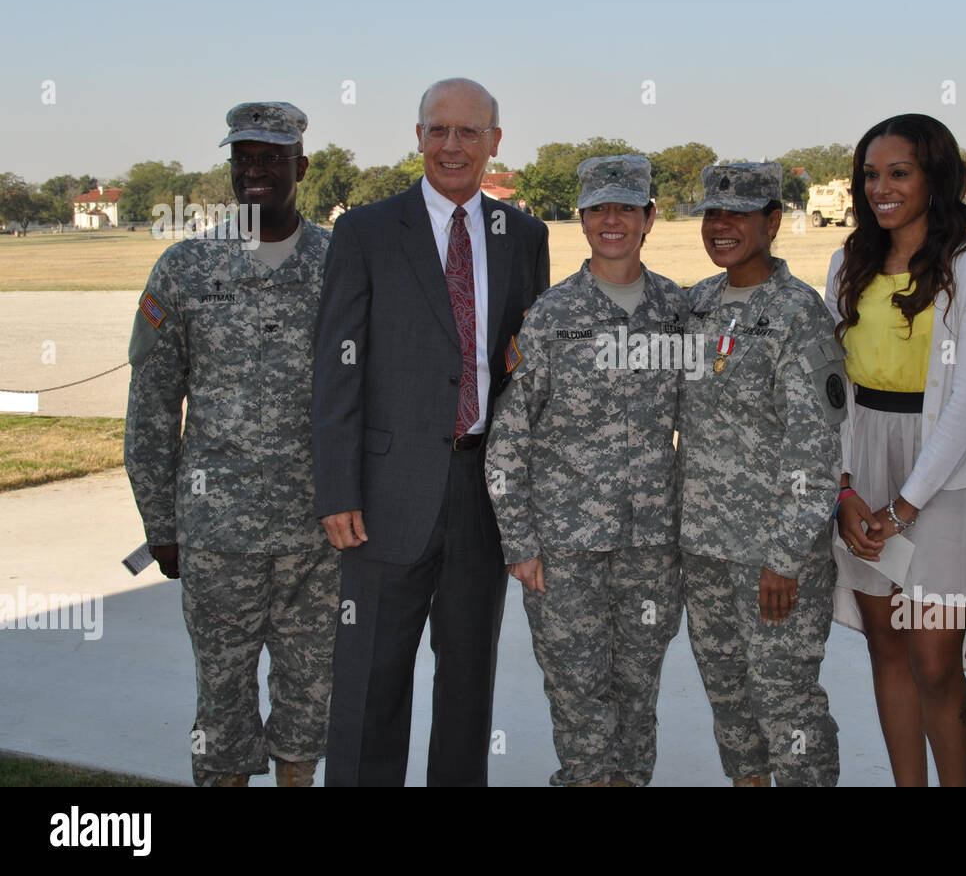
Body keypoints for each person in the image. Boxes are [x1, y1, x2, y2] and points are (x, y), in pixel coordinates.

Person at [312, 78, 549, 787]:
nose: (452, 145)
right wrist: (337, 488)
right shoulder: (366, 231)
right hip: (384, 496)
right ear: (418, 137)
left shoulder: (524, 236)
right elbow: (336, 370)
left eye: (469, 131)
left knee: (468, 686)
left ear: (494, 142)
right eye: (438, 130)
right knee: (369, 684)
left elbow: (527, 377)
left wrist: (527, 499)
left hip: (483, 492)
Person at [125, 101, 336, 787]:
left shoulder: (340, 264)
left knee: (310, 702)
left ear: (300, 167)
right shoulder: (186, 268)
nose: (256, 171)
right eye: (244, 157)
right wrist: (161, 523)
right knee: (221, 707)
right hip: (216, 538)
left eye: (272, 158)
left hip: (319, 537)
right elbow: (153, 408)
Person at [825, 114, 966, 787]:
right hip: (864, 459)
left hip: (944, 474)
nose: (881, 187)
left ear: (936, 176)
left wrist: (903, 505)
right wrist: (845, 489)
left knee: (936, 659)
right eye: (871, 175)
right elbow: (834, 386)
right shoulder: (848, 259)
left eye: (898, 172)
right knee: (887, 645)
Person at [486, 154, 687, 786]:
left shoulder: (678, 314)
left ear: (649, 218)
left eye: (627, 207)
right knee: (577, 695)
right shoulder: (549, 317)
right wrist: (519, 542)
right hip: (564, 548)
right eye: (599, 208)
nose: (613, 220)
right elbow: (508, 437)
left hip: (652, 545)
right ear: (580, 220)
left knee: (637, 696)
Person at [677, 162, 847, 787]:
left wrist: (787, 556)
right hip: (705, 548)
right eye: (712, 216)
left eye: (739, 215)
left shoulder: (800, 315)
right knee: (729, 702)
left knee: (786, 704)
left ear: (773, 222)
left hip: (771, 557)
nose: (721, 227)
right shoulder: (697, 306)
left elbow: (815, 446)